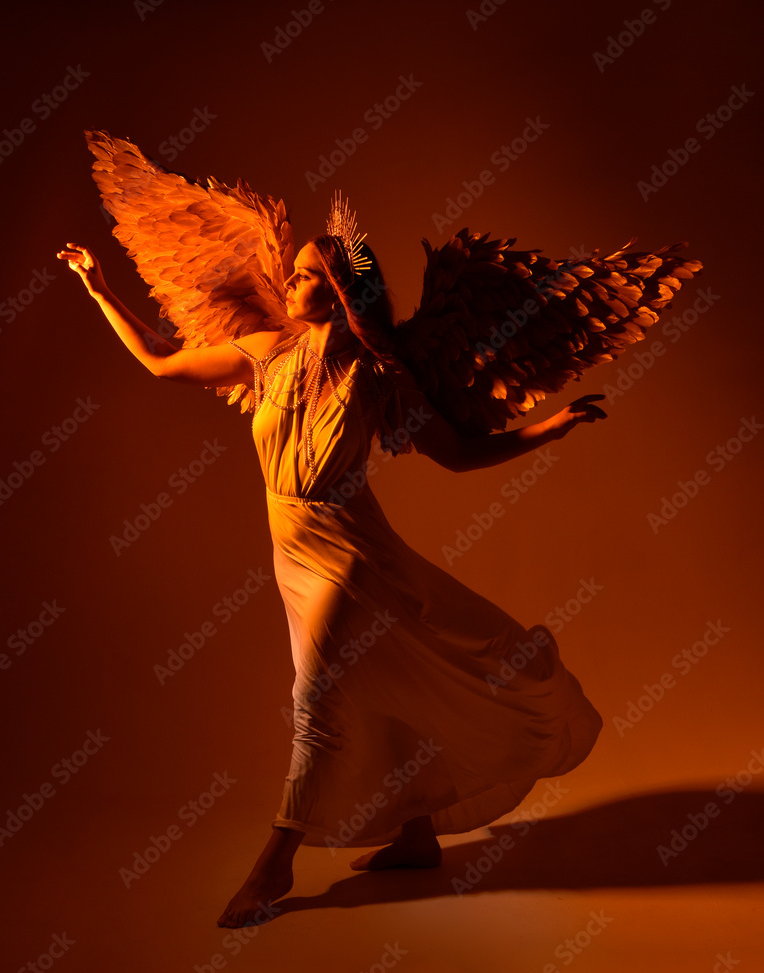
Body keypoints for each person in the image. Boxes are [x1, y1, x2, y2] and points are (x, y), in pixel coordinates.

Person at [58, 234, 606, 929]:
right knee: (373, 680)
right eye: (293, 274)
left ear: (345, 291)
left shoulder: (379, 376)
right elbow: (162, 361)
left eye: (307, 275)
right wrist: (99, 287)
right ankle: (415, 835)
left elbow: (459, 456)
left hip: (346, 549)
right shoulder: (265, 352)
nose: (288, 283)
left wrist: (548, 429)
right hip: (290, 548)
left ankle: (272, 866)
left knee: (315, 697)